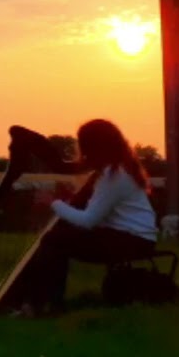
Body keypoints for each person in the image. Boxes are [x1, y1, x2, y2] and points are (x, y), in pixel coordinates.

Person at [17, 119, 157, 316]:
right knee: (59, 237)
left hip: (131, 241)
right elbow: (97, 212)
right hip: (132, 237)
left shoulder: (114, 176)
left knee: (54, 240)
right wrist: (65, 202)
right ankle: (44, 302)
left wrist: (53, 203)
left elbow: (88, 221)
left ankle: (47, 304)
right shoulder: (118, 169)